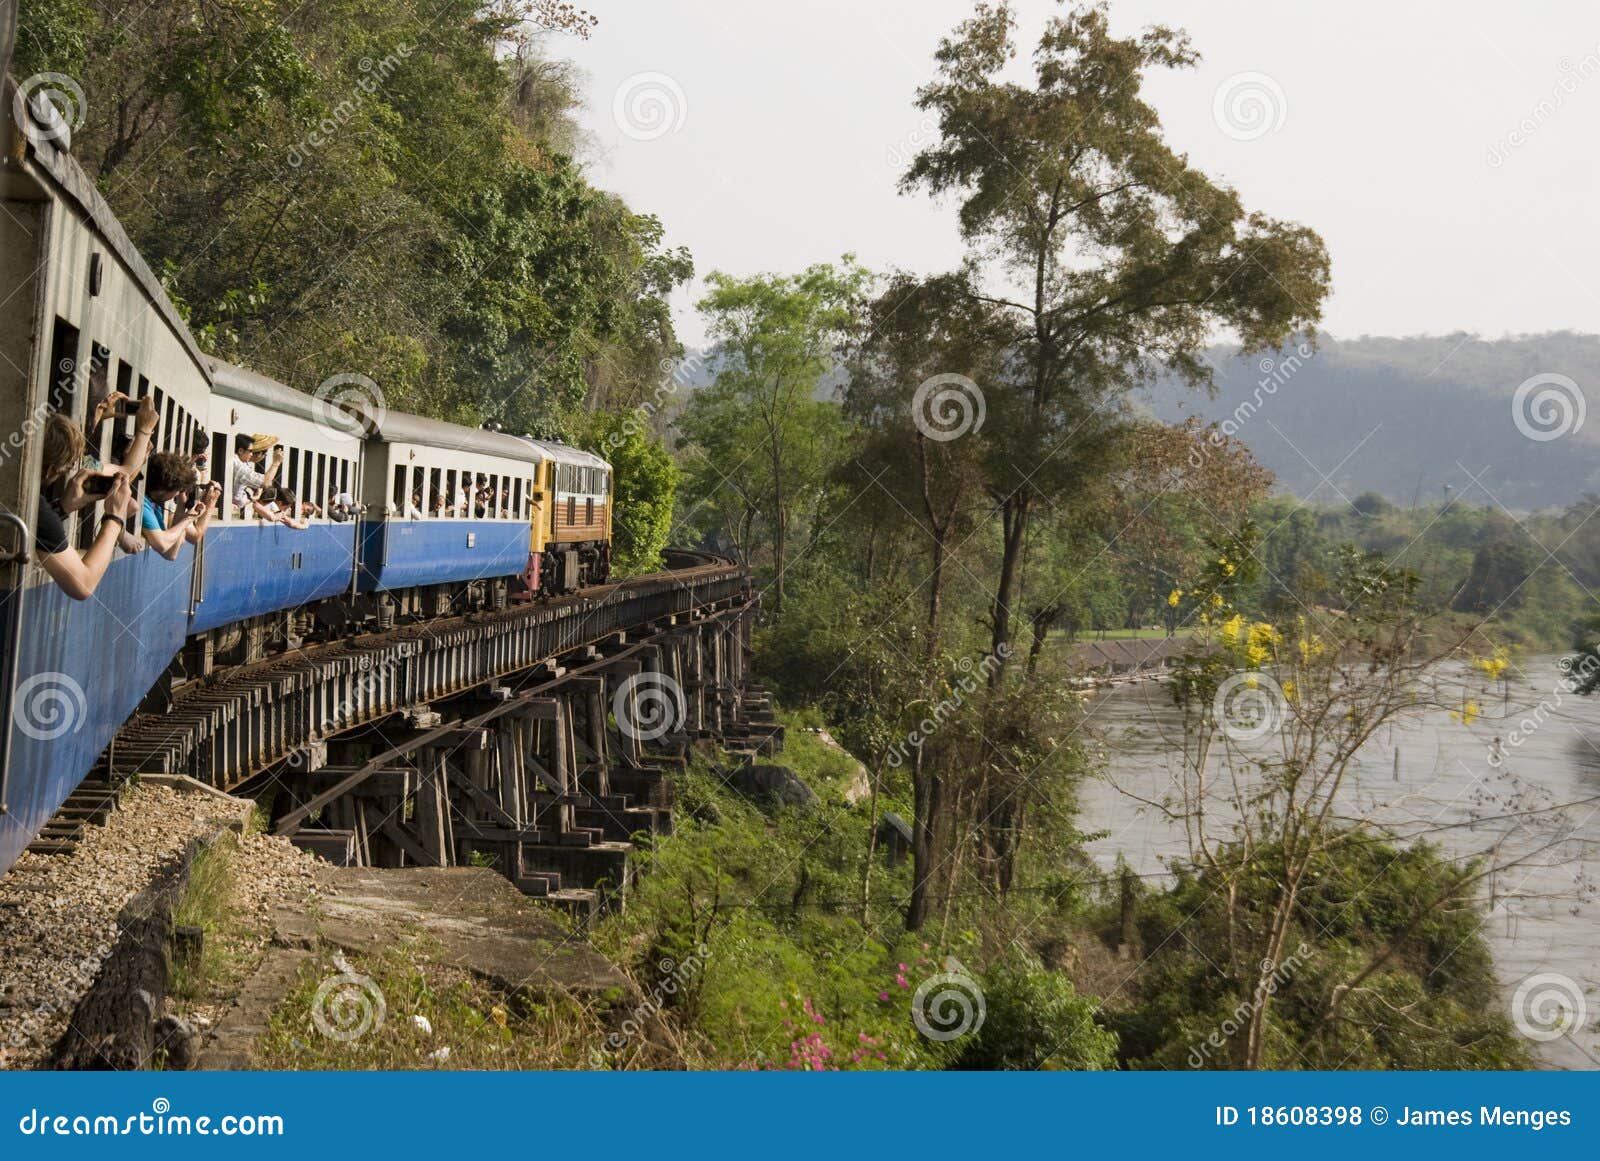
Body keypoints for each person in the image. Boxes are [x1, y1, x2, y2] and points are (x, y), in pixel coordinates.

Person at [35, 414, 136, 600]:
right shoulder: (37, 506)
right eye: (63, 471)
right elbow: (83, 585)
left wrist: (63, 508)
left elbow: (37, 530)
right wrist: (115, 518)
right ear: (50, 470)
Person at [140, 452, 216, 560]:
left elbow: (171, 553)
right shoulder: (143, 504)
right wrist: (188, 519)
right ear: (165, 489)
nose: (177, 494)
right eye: (178, 490)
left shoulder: (155, 505)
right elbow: (163, 545)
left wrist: (182, 505)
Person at [231, 433, 283, 514]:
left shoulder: (239, 462)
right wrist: (276, 463)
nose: (251, 454)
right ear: (240, 451)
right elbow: (266, 482)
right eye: (250, 451)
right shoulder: (239, 466)